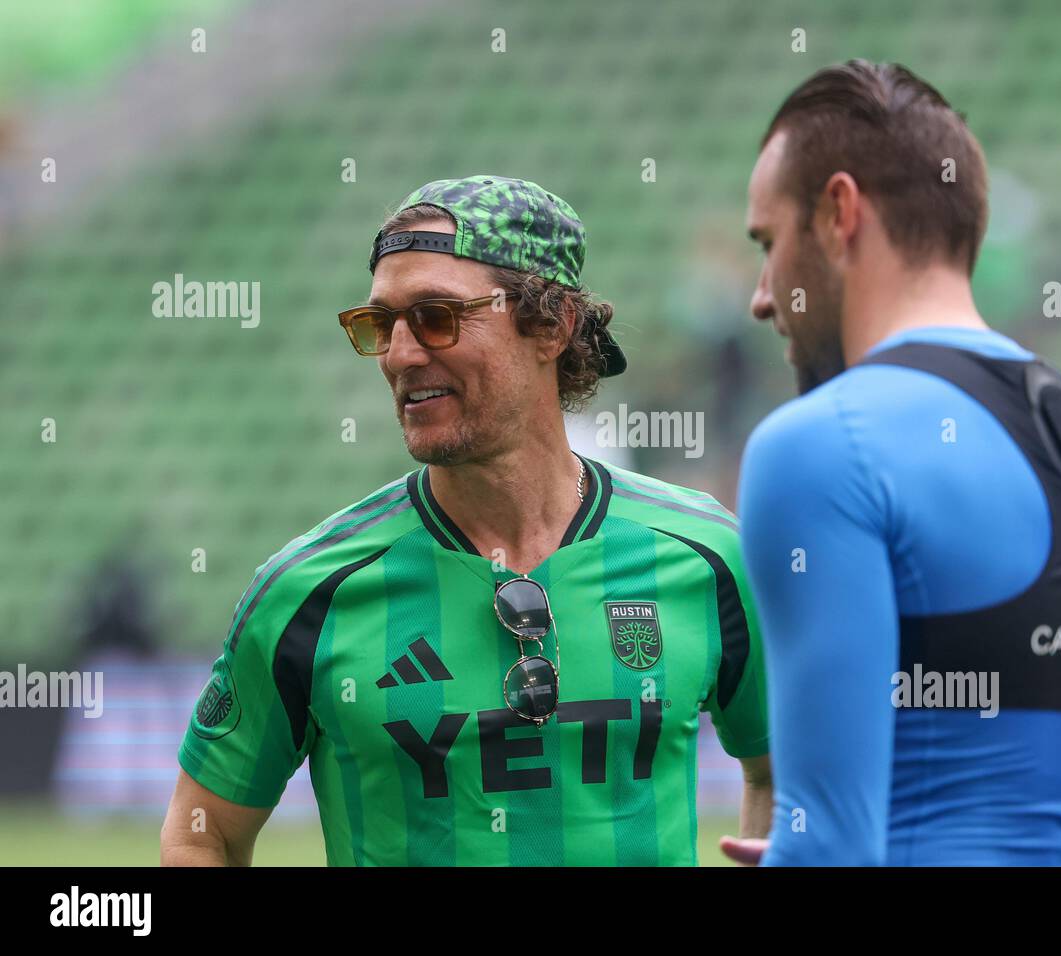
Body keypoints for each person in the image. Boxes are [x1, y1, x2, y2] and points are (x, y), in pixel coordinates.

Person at [161, 176, 770, 866]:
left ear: (551, 326)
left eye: (436, 316)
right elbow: (199, 834)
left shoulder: (710, 554)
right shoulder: (306, 592)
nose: (400, 353)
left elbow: (788, 774)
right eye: (379, 324)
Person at [724, 61, 1061, 866]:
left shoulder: (813, 448)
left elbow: (831, 850)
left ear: (841, 213)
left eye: (769, 244)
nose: (762, 296)